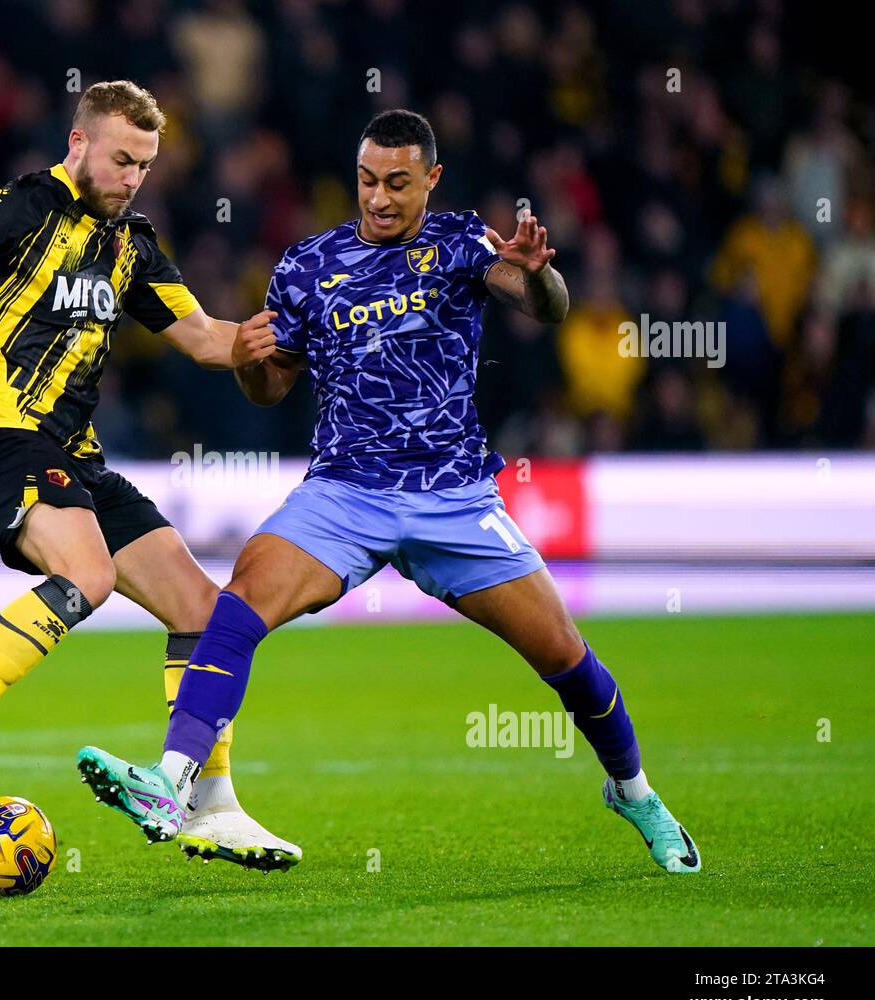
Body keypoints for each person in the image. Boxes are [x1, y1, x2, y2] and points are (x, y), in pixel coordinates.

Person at [78, 109, 701, 875]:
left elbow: (548, 308)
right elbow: (270, 389)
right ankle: (170, 782)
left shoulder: (460, 242)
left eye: (397, 183)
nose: (378, 198)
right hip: (345, 493)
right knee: (239, 601)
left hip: (455, 498)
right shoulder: (308, 266)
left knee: (566, 656)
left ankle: (635, 792)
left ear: (430, 181)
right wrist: (246, 358)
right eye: (368, 180)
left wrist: (539, 274)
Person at [0, 80, 300, 871]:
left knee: (206, 611)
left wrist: (294, 335)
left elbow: (206, 338)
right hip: (6, 443)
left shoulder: (132, 245)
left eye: (145, 164)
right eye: (121, 158)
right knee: (88, 573)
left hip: (78, 458)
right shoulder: (19, 208)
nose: (133, 176)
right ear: (78, 143)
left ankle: (212, 801)